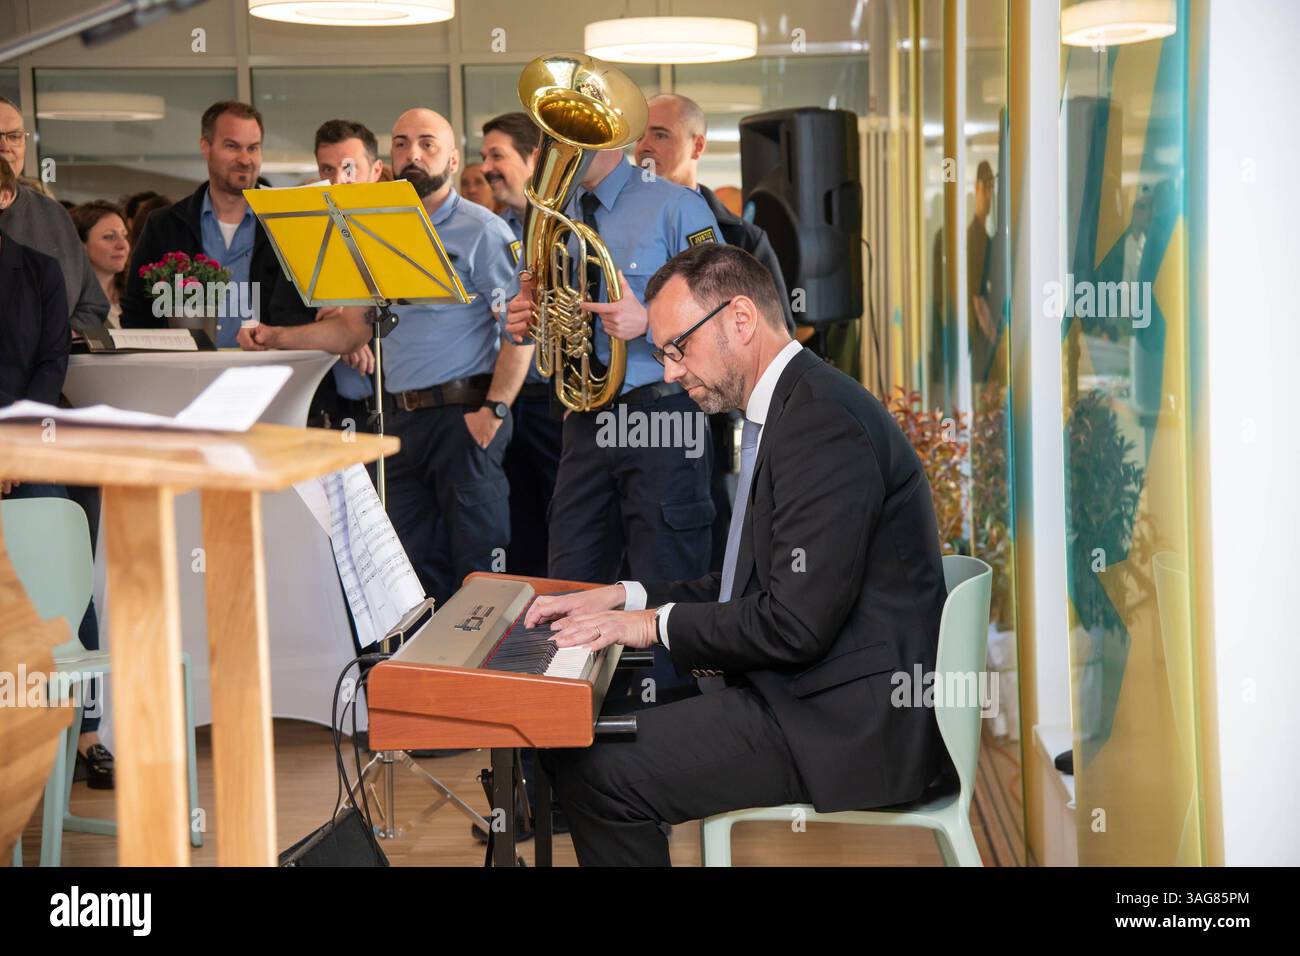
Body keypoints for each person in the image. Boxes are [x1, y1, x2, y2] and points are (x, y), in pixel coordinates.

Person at [526, 243, 950, 866]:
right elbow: (744, 590)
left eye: (677, 348)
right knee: (578, 731)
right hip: (809, 689)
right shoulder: (791, 407)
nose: (669, 372)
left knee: (601, 772)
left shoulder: (821, 422)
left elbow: (793, 622)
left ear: (741, 320)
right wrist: (625, 596)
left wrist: (647, 626)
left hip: (842, 721)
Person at [241, 108, 530, 606]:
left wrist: (494, 411)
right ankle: (421, 681)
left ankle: (489, 681)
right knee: (409, 573)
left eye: (427, 143)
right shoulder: (373, 228)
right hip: (396, 423)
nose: (412, 155)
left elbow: (521, 332)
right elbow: (352, 329)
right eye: (400, 144)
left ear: (455, 158)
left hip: (463, 419)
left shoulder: (483, 231)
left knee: (482, 568)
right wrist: (276, 337)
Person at [505, 143, 723, 702]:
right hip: (583, 417)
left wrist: (650, 320)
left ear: (616, 136)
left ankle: (669, 733)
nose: (562, 147)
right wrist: (529, 320)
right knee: (571, 573)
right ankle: (567, 722)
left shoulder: (677, 206)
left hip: (664, 415)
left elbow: (725, 310)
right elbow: (548, 314)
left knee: (664, 572)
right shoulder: (555, 215)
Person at [635, 92, 796, 576]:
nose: (645, 146)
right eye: (639, 134)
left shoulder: (743, 238)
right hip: (627, 431)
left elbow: (778, 334)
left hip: (713, 435)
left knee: (706, 562)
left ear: (697, 145)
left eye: (660, 134)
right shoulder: (604, 231)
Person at [0, 161, 114, 788]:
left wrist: (13, 443)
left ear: (6, 194)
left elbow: (49, 364)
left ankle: (87, 733)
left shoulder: (39, 269)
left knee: (64, 577)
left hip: (27, 439)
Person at [120, 101, 288, 346]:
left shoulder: (284, 224)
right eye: (232, 146)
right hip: (188, 374)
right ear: (205, 146)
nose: (245, 159)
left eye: (253, 148)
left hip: (268, 370)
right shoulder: (165, 224)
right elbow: (138, 311)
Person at [480, 111, 561, 578]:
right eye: (484, 156)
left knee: (562, 522)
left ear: (533, 158)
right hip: (509, 402)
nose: (488, 167)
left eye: (498, 155)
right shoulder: (497, 226)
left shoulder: (560, 227)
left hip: (552, 403)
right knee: (519, 530)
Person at [263, 118, 382, 430]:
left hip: (396, 404)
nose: (337, 181)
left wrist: (354, 324)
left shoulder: (399, 233)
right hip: (330, 407)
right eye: (327, 170)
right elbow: (283, 316)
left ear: (377, 171)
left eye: (349, 168)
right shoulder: (304, 239)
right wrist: (335, 332)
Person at [0, 96, 109, 336]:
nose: (5, 146)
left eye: (14, 136)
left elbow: (92, 304)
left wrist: (57, 340)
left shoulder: (53, 214)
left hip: (51, 369)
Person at [70, 201, 130, 328]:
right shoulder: (69, 303)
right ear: (81, 245)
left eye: (124, 236)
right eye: (109, 237)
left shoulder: (135, 297)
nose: (122, 245)